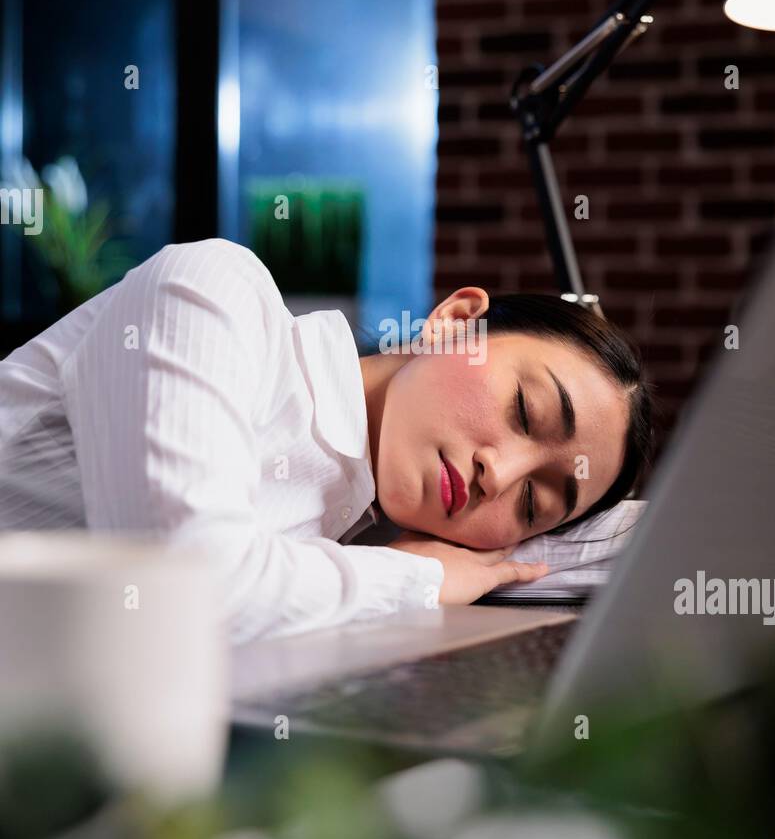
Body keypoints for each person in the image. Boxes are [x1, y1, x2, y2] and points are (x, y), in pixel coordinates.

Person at [0, 238, 652, 640]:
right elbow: (183, 593)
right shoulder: (213, 294)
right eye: (524, 409)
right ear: (454, 324)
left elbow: (620, 551)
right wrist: (415, 576)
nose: (501, 475)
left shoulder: (364, 528)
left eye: (536, 505)